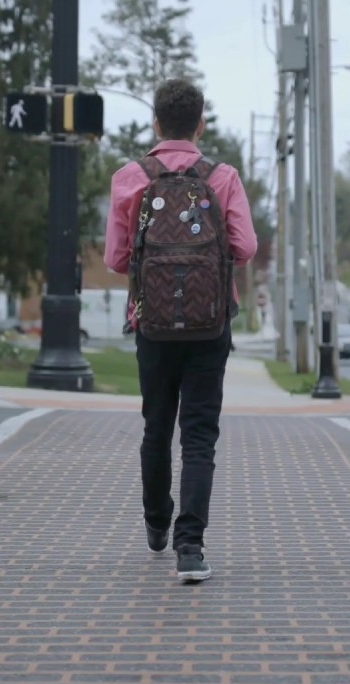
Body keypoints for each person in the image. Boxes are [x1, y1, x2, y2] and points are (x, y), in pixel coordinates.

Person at [103, 78, 258, 581]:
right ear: (200, 123)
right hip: (209, 323)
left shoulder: (130, 176)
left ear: (155, 122)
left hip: (150, 322)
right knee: (198, 436)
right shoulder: (222, 176)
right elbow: (246, 247)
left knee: (156, 427)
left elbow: (116, 258)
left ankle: (155, 524)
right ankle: (190, 548)